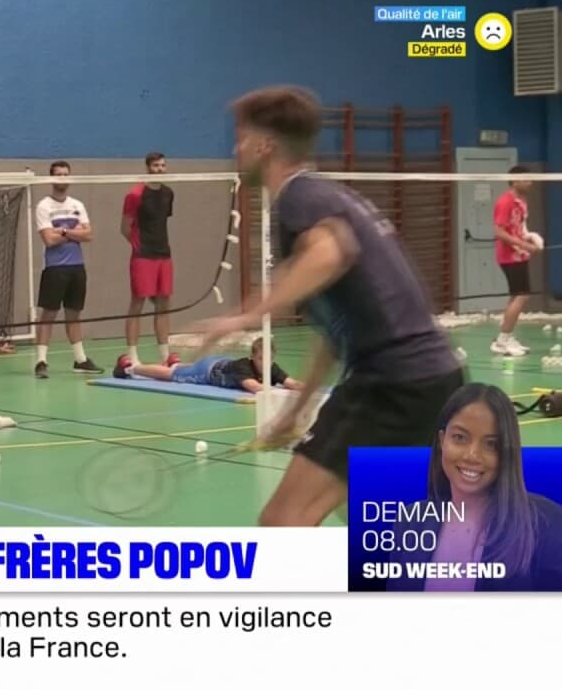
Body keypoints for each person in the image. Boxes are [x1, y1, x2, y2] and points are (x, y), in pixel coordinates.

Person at [193, 85, 466, 527]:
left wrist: (248, 314)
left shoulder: (300, 198)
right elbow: (331, 331)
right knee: (364, 515)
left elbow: (330, 252)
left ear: (265, 146)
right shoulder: (326, 195)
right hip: (433, 377)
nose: (234, 148)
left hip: (392, 383)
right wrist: (295, 411)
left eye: (240, 138)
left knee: (282, 521)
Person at [386, 382, 562, 591]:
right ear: (442, 441)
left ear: (507, 451)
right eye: (459, 438)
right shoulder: (410, 520)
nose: (472, 455)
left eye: (491, 444)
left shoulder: (546, 523)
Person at [33, 160, 101, 379]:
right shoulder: (44, 206)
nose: (63, 178)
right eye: (59, 175)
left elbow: (89, 235)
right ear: (52, 178)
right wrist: (73, 231)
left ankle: (80, 360)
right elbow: (48, 240)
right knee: (48, 315)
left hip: (76, 267)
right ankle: (41, 361)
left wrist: (61, 231)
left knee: (74, 314)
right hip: (55, 268)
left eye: (65, 174)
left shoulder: (77, 205)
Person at [121, 152, 179, 366]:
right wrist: (139, 246)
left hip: (164, 255)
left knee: (163, 304)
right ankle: (133, 355)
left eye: (163, 165)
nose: (160, 169)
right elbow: (124, 227)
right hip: (143, 256)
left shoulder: (168, 193)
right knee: (138, 303)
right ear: (147, 167)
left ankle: (165, 355)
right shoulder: (135, 194)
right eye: (156, 166)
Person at [113, 337, 303, 394]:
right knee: (172, 375)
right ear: (252, 357)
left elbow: (291, 382)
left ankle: (175, 362)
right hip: (208, 371)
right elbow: (255, 387)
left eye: (269, 359)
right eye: (261, 358)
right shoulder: (244, 367)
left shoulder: (272, 367)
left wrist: (306, 388)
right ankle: (130, 367)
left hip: (222, 362)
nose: (266, 363)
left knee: (178, 368)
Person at [490, 166, 540, 357]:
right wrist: (524, 246)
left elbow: (519, 228)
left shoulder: (521, 202)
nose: (531, 183)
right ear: (515, 180)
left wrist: (531, 239)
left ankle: (505, 338)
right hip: (509, 256)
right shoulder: (506, 202)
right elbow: (499, 231)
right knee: (522, 295)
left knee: (515, 297)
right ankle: (502, 340)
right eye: (527, 179)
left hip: (519, 254)